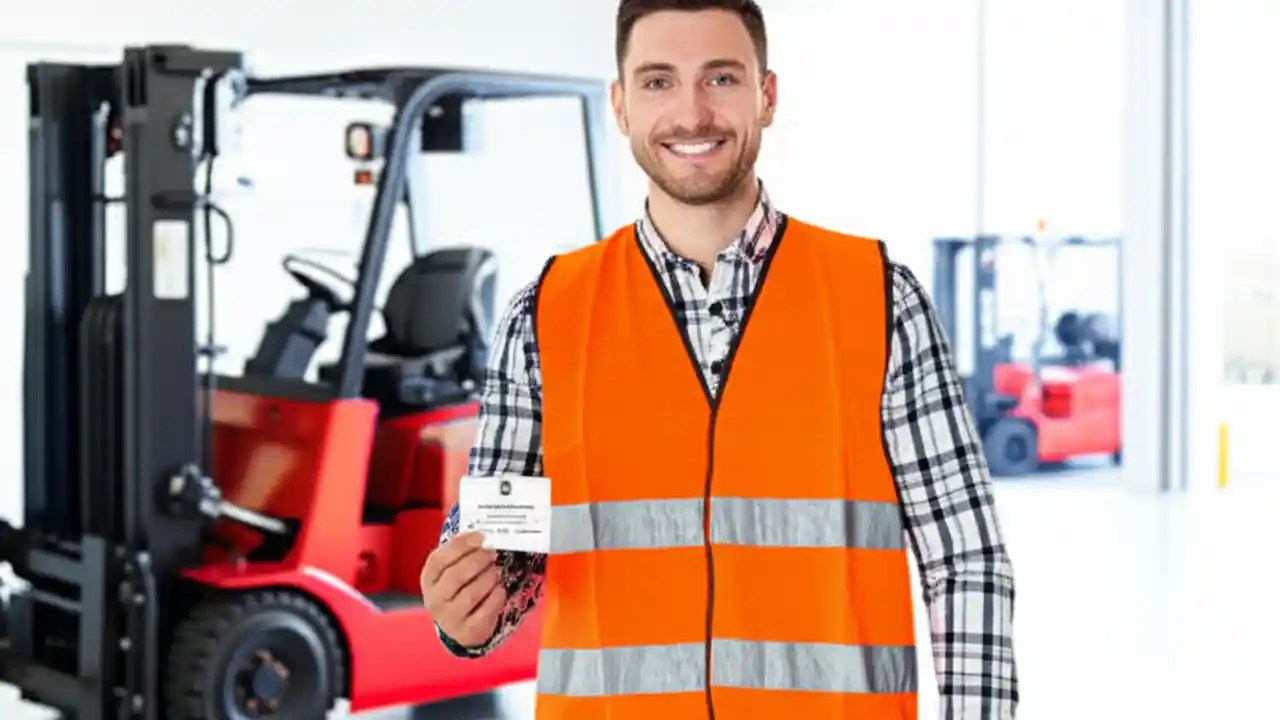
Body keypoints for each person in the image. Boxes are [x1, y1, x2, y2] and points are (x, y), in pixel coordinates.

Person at [420, 0, 1018, 717]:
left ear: (766, 96)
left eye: (721, 79)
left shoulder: (881, 302)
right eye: (658, 82)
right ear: (621, 105)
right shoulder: (542, 315)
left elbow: (966, 563)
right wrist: (467, 613)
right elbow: (504, 562)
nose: (692, 113)